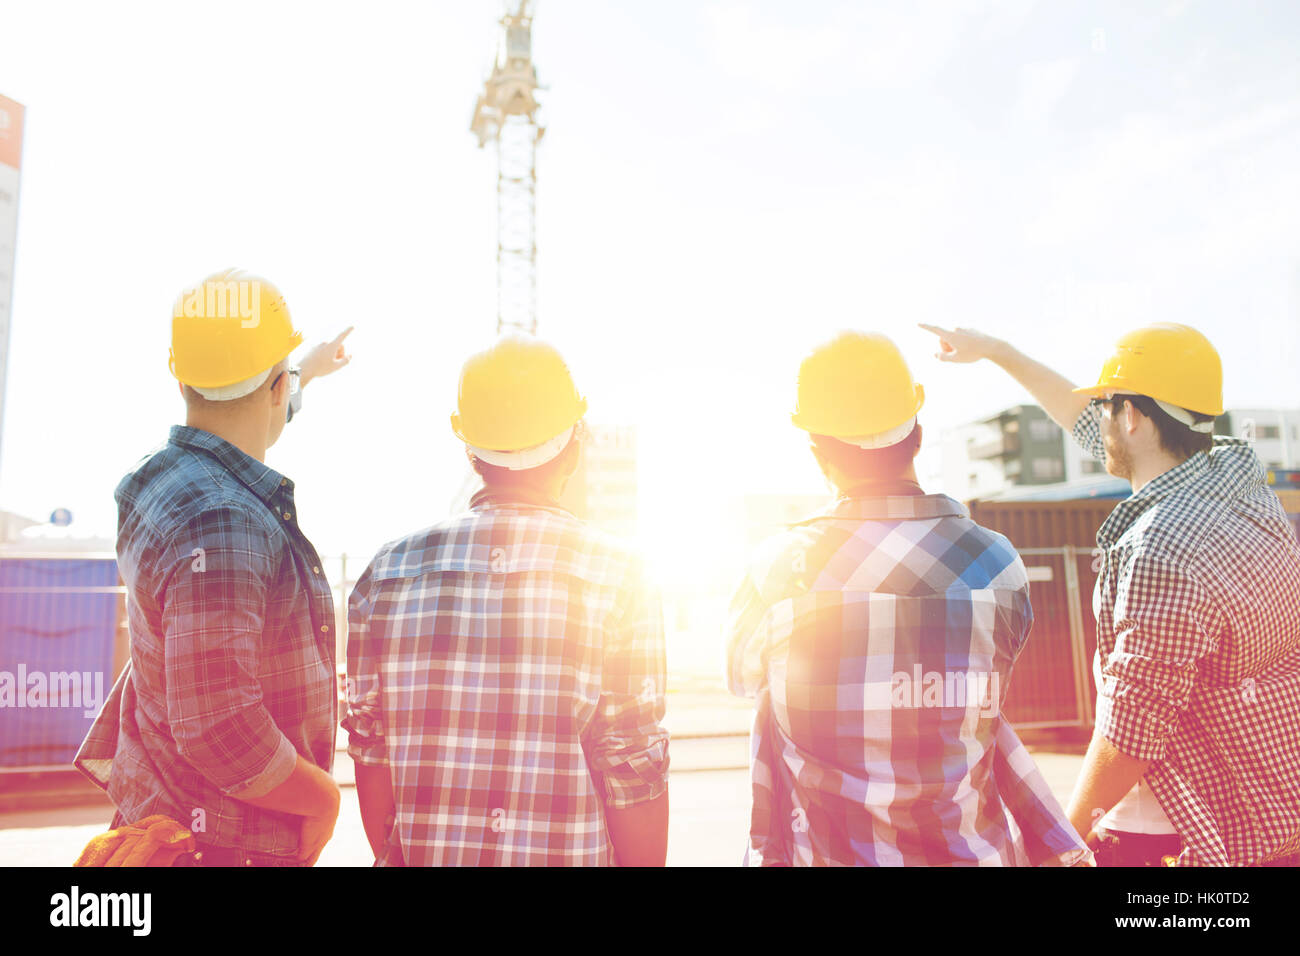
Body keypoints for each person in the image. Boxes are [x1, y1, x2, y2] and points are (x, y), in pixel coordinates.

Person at [920, 322, 1300, 867]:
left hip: (1175, 834)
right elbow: (1086, 426)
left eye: (1104, 405)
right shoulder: (1239, 480)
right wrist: (1000, 352)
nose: (1095, 420)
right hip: (1273, 814)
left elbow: (1131, 732)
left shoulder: (1162, 549)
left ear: (1133, 418)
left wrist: (1063, 841)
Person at [725, 330, 1090, 866]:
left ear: (816, 450)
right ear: (917, 433)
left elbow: (740, 678)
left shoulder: (780, 570)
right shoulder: (999, 563)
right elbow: (990, 696)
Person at [344, 333, 669, 866]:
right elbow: (633, 769)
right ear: (576, 443)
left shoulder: (388, 572)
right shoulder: (621, 575)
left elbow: (372, 755)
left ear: (470, 450)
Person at [75, 269, 354, 866]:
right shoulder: (224, 522)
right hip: (226, 847)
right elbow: (219, 728)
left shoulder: (154, 482)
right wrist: (322, 797)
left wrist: (308, 367)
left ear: (179, 376)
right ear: (277, 387)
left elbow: (242, 414)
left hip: (161, 823)